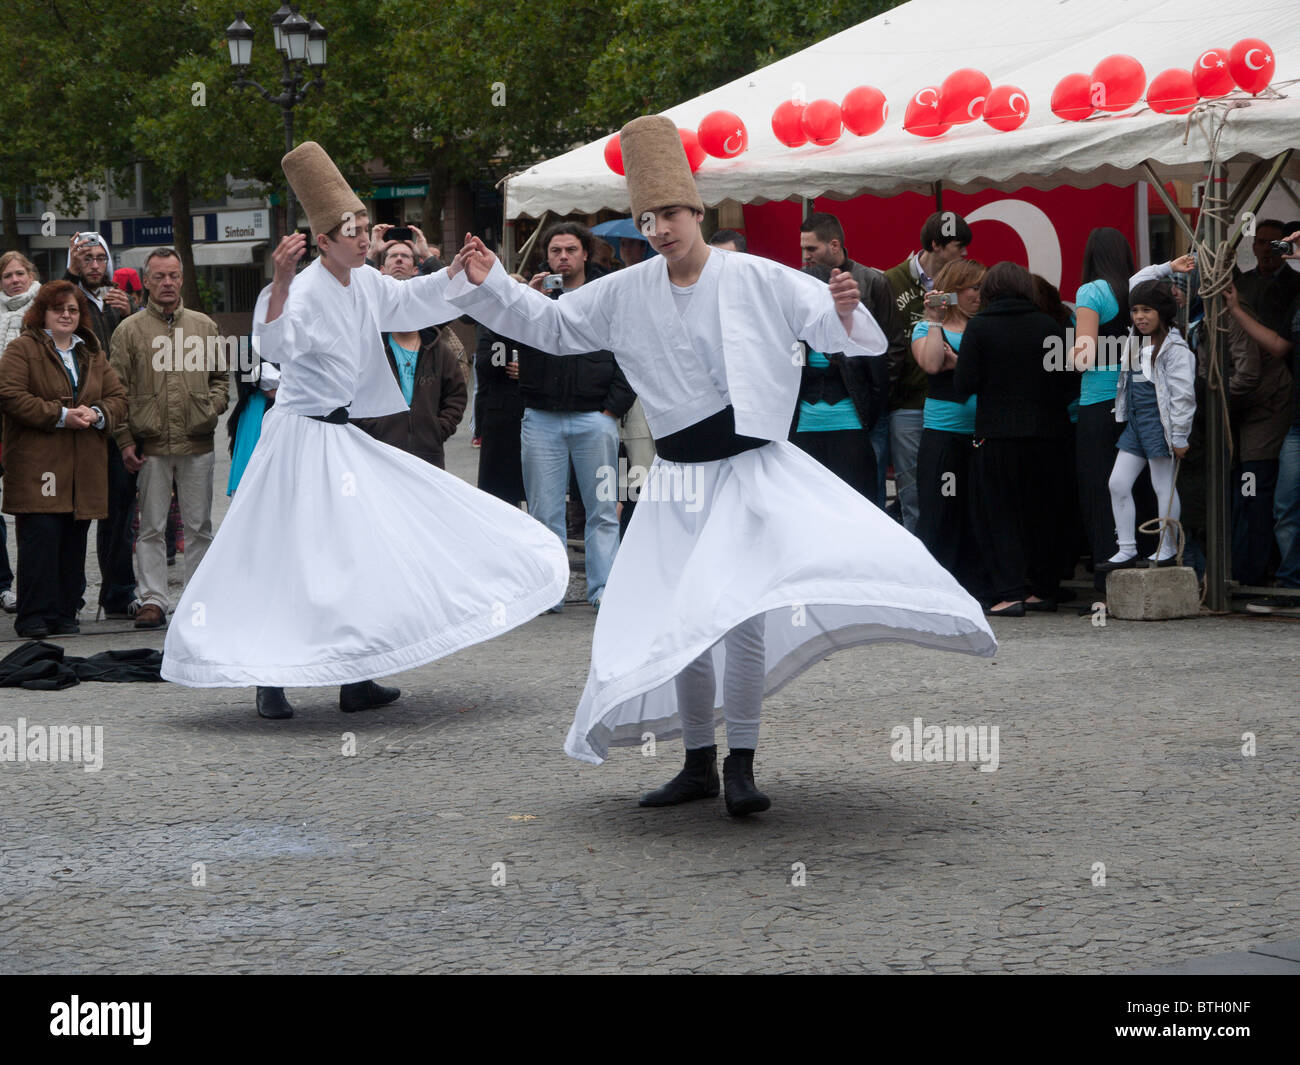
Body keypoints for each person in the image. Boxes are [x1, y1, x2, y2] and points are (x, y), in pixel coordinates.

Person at [446, 116, 994, 815]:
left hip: (748, 467)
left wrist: (847, 306)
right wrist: (494, 283)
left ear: (696, 212)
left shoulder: (758, 276)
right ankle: (698, 762)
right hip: (678, 477)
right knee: (687, 618)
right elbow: (554, 327)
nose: (660, 229)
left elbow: (834, 331)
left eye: (671, 214)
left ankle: (742, 763)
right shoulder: (625, 290)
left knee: (741, 616)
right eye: (647, 218)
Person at [160, 141, 568, 721]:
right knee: (288, 555)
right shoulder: (302, 289)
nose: (361, 237)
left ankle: (354, 674)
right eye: (348, 230)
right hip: (299, 440)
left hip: (340, 436)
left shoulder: (367, 282)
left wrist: (452, 272)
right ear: (322, 241)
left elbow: (407, 301)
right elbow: (272, 347)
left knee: (356, 551)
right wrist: (276, 281)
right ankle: (270, 680)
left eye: (362, 228)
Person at [108, 248, 229, 630]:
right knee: (150, 527)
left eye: (173, 275)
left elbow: (221, 380)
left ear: (180, 278)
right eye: (159, 276)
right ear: (146, 281)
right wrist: (125, 439)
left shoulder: (203, 326)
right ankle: (153, 600)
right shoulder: (128, 331)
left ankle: (197, 598)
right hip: (151, 445)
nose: (167, 283)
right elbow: (117, 390)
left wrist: (210, 409)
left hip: (197, 442)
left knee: (199, 527)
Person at [516, 222, 634, 609]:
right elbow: (503, 342)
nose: (563, 257)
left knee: (601, 509)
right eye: (555, 251)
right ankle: (549, 592)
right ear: (546, 257)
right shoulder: (533, 298)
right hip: (542, 416)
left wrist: (612, 408)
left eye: (570, 250)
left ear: (585, 253)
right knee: (544, 510)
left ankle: (604, 591)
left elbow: (630, 352)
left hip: (594, 417)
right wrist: (526, 305)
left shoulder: (607, 295)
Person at [0, 281, 126, 637]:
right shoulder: (22, 349)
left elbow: (118, 396)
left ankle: (66, 611)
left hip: (83, 464)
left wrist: (98, 413)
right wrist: (59, 415)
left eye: (72, 310)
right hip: (38, 464)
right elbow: (9, 394)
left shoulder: (92, 353)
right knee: (41, 538)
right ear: (44, 313)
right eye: (59, 310)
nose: (67, 315)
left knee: (74, 537)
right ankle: (35, 615)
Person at [953, 261, 1071, 615]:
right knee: (1043, 513)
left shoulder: (980, 328)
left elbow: (963, 385)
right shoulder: (1048, 325)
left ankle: (1010, 593)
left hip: (997, 436)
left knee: (1000, 515)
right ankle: (1043, 589)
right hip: (1048, 435)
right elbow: (1067, 384)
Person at [1070, 229, 1161, 596]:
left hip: (1099, 402)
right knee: (1139, 487)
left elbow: (1085, 355)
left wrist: (1067, 356)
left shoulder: (1092, 292)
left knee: (1100, 490)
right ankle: (1147, 571)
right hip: (1139, 402)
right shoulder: (1138, 293)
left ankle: (1107, 586)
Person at [800, 212, 906, 509]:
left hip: (864, 412)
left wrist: (877, 400)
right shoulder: (801, 284)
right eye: (803, 249)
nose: (806, 256)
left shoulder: (873, 281)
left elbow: (893, 347)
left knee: (864, 501)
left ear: (834, 245)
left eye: (812, 249)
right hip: (811, 412)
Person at [882, 212, 972, 531]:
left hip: (949, 404)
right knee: (912, 491)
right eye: (958, 246)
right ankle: (919, 559)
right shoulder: (891, 281)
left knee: (952, 488)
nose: (964, 253)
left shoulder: (962, 284)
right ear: (936, 244)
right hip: (907, 405)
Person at [1098, 279, 1196, 572]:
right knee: (1117, 483)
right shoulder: (1135, 341)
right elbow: (1137, 280)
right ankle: (1126, 548)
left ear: (1163, 311)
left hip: (1159, 425)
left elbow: (1183, 396)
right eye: (1135, 310)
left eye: (1148, 310)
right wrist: (1168, 268)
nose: (1139, 316)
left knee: (1162, 483)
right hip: (1136, 424)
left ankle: (1166, 547)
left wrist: (1179, 436)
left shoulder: (1176, 350)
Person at [65, 233, 138, 621]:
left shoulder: (117, 300)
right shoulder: (66, 300)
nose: (94, 265)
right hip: (79, 419)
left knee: (119, 516)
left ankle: (118, 593)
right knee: (75, 514)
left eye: (99, 258)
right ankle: (70, 597)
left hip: (116, 418)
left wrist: (131, 312)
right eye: (85, 259)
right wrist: (69, 274)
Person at [351, 241, 468, 468]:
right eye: (392, 255)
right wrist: (369, 430)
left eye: (405, 255)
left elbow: (456, 396)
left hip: (428, 456)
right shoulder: (370, 346)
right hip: (378, 454)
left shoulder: (437, 347)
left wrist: (436, 429)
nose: (399, 260)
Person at [912, 258, 988, 600]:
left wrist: (959, 363)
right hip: (943, 432)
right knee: (941, 507)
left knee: (976, 510)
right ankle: (936, 586)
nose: (980, 295)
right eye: (974, 288)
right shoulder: (926, 327)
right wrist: (934, 320)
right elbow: (930, 363)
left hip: (980, 433)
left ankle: (976, 585)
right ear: (954, 291)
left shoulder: (984, 326)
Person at [789, 262, 881, 497]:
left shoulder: (852, 322)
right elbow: (785, 378)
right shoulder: (792, 329)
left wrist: (869, 420)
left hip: (849, 429)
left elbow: (877, 378)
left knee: (854, 501)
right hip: (804, 431)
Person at [0, 251, 42, 612]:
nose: (14, 280)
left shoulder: (46, 308)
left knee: (33, 507)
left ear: (31, 275)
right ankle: (2, 584)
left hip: (31, 421)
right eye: (7, 275)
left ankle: (39, 592)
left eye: (19, 273)